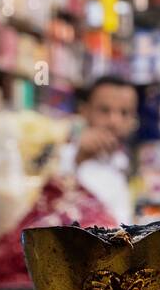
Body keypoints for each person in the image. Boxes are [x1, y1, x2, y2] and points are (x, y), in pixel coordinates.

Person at [59, 75, 139, 226]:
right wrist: (79, 157)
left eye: (124, 112)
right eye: (104, 110)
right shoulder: (64, 155)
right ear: (84, 111)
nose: (114, 121)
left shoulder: (121, 160)